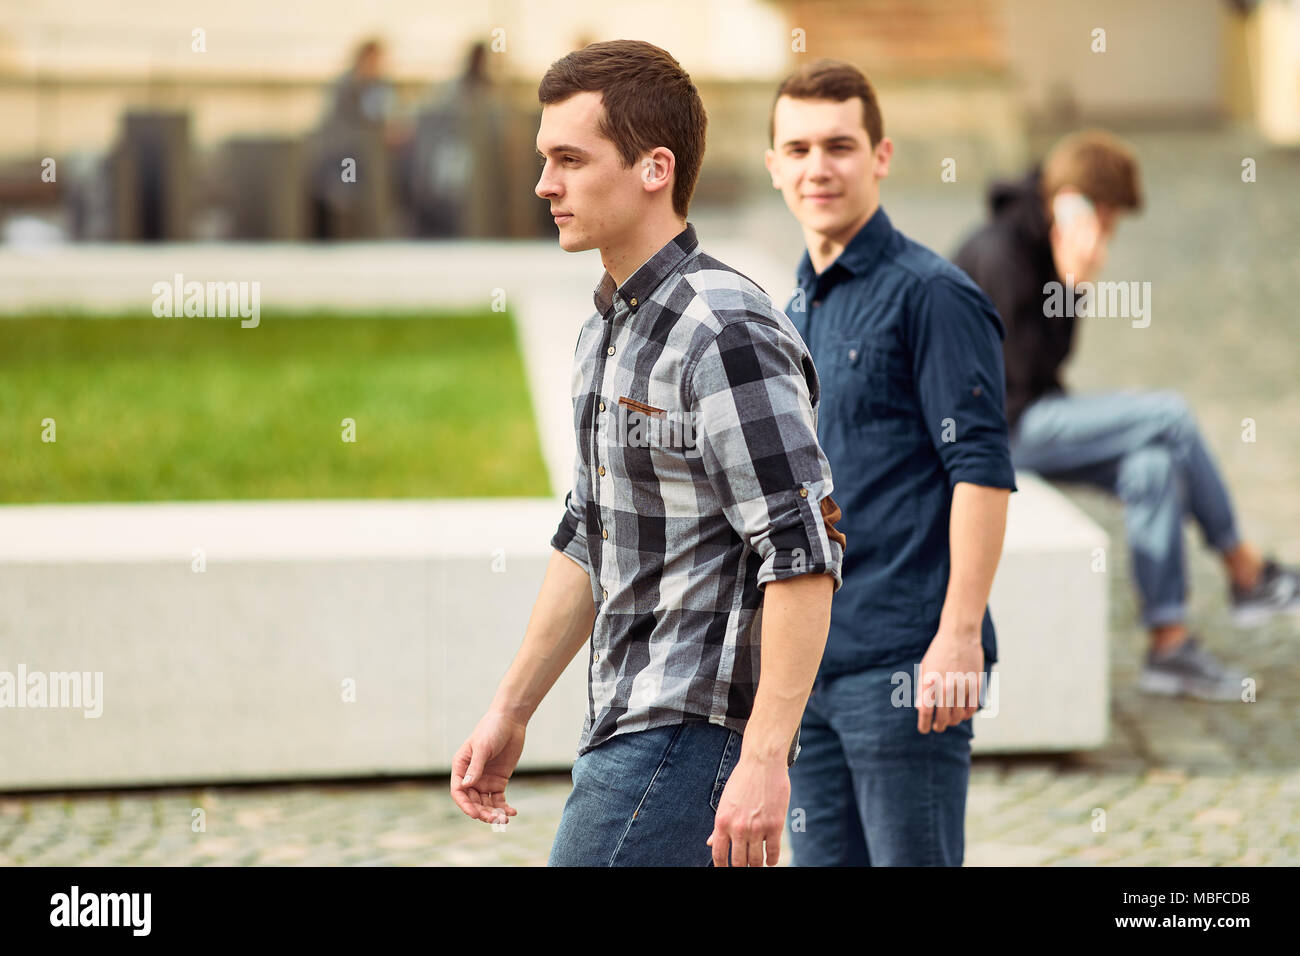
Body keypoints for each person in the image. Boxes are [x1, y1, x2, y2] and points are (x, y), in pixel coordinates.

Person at [450, 40, 847, 868]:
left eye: (568, 159)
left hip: (689, 739)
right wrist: (511, 709)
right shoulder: (604, 328)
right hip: (619, 721)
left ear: (653, 168)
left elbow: (803, 551)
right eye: (543, 159)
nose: (543, 184)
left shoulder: (726, 329)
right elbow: (588, 533)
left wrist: (764, 759)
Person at [763, 59, 1016, 866]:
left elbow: (979, 468)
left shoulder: (933, 295)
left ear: (880, 155)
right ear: (774, 167)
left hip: (905, 669)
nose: (817, 167)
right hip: (815, 667)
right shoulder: (795, 305)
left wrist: (958, 637)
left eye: (839, 145)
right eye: (797, 149)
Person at [952, 130, 1300, 701]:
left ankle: (1170, 645)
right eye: (1109, 218)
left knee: (1154, 465)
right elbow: (1017, 380)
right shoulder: (1002, 253)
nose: (1109, 234)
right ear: (1082, 203)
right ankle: (1246, 571)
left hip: (1029, 413)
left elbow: (1046, 368)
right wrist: (1073, 284)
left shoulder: (1039, 242)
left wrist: (1072, 285)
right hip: (993, 429)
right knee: (1170, 415)